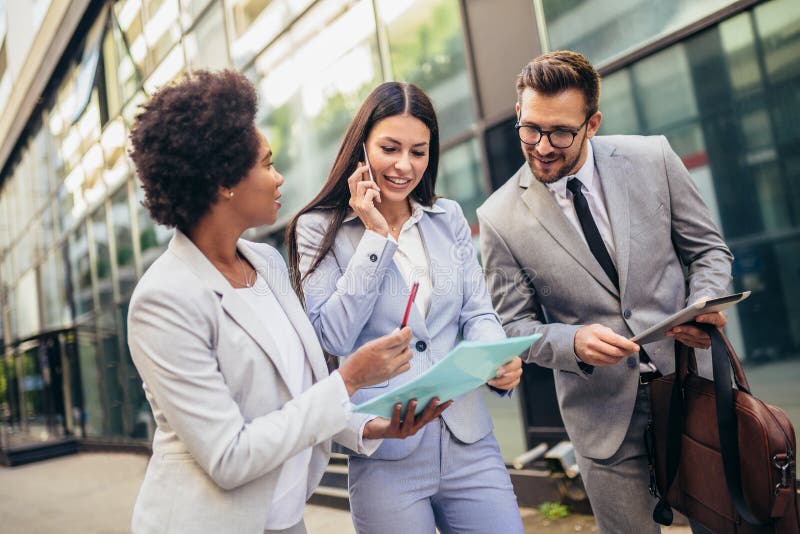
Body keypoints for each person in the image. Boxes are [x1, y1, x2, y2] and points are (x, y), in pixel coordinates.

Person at [126, 70, 447, 534]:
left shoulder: (265, 262)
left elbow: (299, 393)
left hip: (285, 519)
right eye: (267, 163)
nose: (279, 178)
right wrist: (353, 378)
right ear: (223, 182)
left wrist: (368, 428)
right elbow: (229, 457)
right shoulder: (164, 301)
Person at [477, 50, 733, 533]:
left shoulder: (652, 157)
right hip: (602, 419)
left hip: (692, 386)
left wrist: (702, 306)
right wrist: (570, 342)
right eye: (530, 129)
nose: (542, 146)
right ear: (518, 114)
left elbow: (709, 251)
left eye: (561, 133)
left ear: (592, 123)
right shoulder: (497, 217)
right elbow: (511, 326)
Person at [286, 81, 525, 534]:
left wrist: (496, 357)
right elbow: (332, 337)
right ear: (361, 147)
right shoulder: (316, 229)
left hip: (468, 440)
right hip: (385, 452)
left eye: (419, 152)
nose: (404, 165)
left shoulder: (447, 217)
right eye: (390, 148)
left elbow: (476, 311)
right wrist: (376, 238)